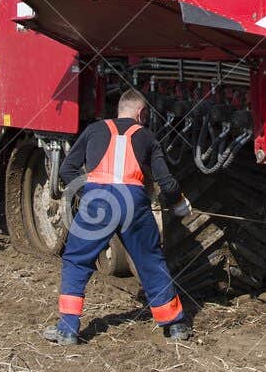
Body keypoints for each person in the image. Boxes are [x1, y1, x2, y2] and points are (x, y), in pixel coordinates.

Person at [43, 89, 194, 345]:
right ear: (140, 113)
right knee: (150, 260)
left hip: (98, 202)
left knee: (77, 261)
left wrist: (87, 192)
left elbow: (67, 168)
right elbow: (166, 183)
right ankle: (174, 325)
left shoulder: (93, 130)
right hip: (134, 204)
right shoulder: (147, 137)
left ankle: (67, 329)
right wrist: (179, 204)